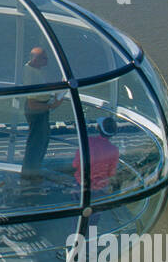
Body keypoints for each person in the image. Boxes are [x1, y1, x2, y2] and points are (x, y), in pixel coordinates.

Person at [21, 47, 64, 179]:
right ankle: (30, 175)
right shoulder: (30, 74)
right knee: (37, 143)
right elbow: (32, 104)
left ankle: (33, 171)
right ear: (35, 59)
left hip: (41, 109)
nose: (47, 61)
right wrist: (52, 105)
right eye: (44, 58)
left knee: (41, 140)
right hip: (38, 111)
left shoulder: (35, 70)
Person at [73, 116, 121, 192]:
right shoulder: (114, 150)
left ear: (98, 128)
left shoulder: (88, 141)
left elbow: (75, 164)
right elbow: (112, 172)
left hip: (82, 182)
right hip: (101, 186)